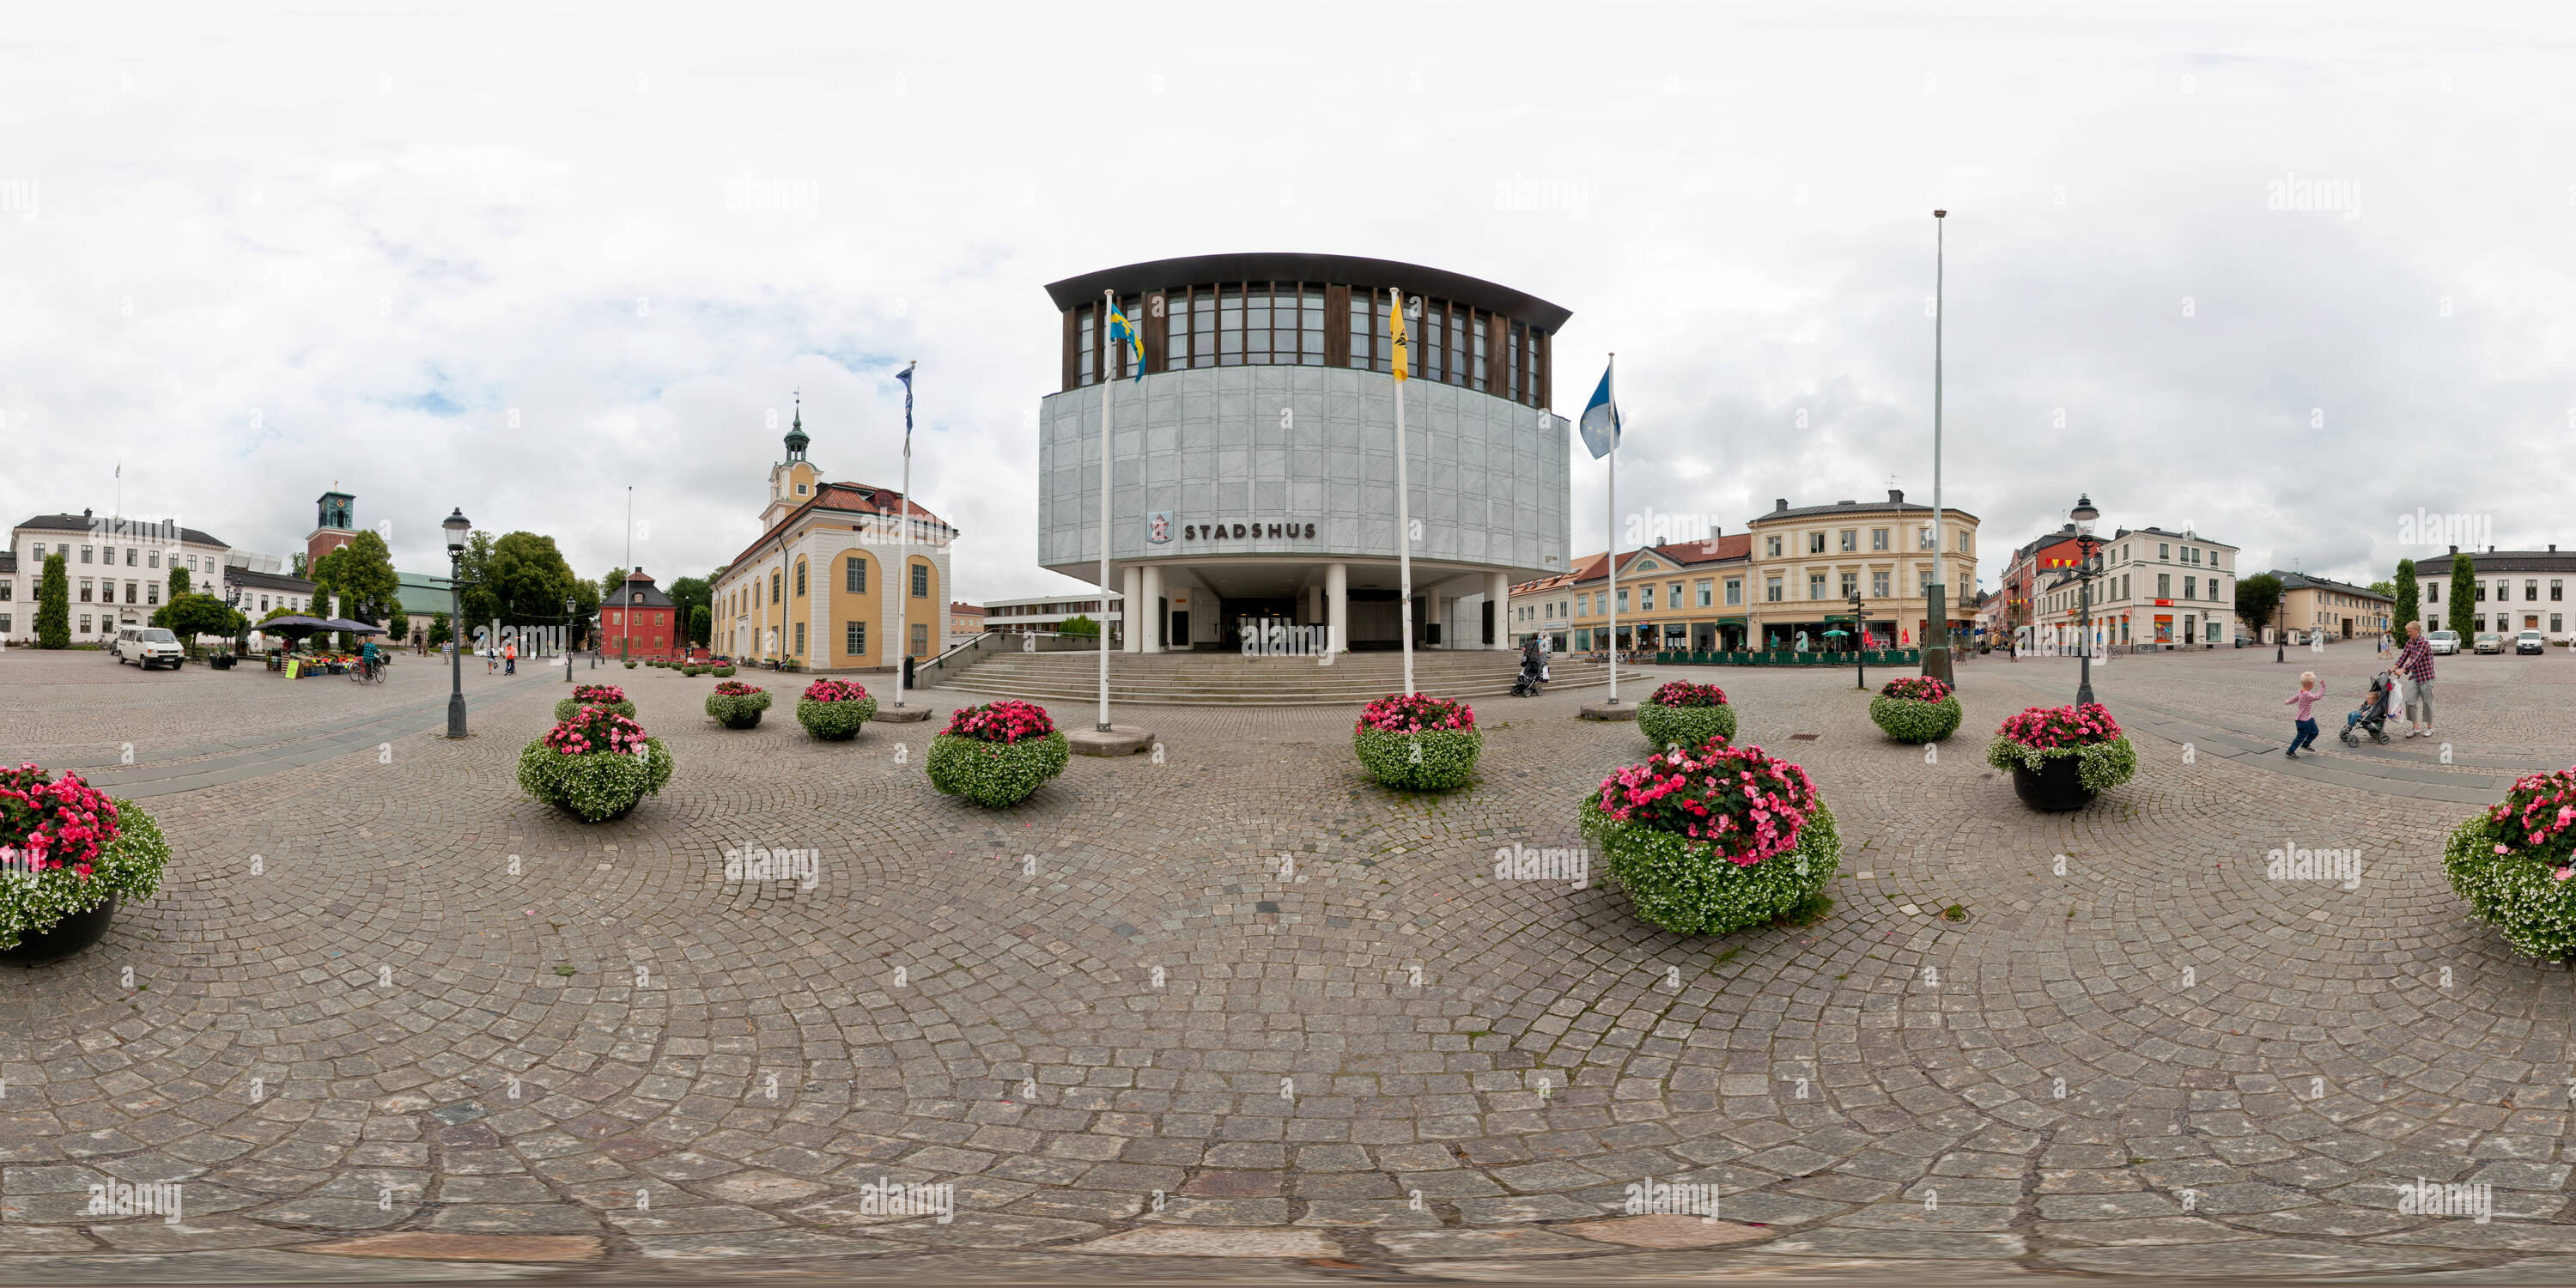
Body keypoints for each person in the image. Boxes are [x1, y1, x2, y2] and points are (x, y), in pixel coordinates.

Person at [2397, 620, 2436, 738]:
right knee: (2409, 701)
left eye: (2410, 631)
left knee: (2427, 702)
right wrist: (2394, 667)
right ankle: (2416, 727)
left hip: (2426, 677)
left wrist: (2403, 670)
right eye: (2407, 632)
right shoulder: (2410, 642)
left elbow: (2416, 659)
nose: (2408, 634)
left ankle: (2430, 727)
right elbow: (2404, 656)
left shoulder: (2424, 643)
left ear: (2416, 631)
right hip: (2415, 676)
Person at [2283, 671, 2324, 758]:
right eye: (2313, 683)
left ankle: (2306, 744)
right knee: (2301, 736)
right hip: (2302, 721)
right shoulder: (2306, 694)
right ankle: (2290, 751)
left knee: (2315, 731)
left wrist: (2288, 701)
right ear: (2309, 684)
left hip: (2308, 718)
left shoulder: (2301, 692)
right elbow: (2318, 696)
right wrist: (2323, 687)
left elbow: (2294, 699)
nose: (2313, 684)